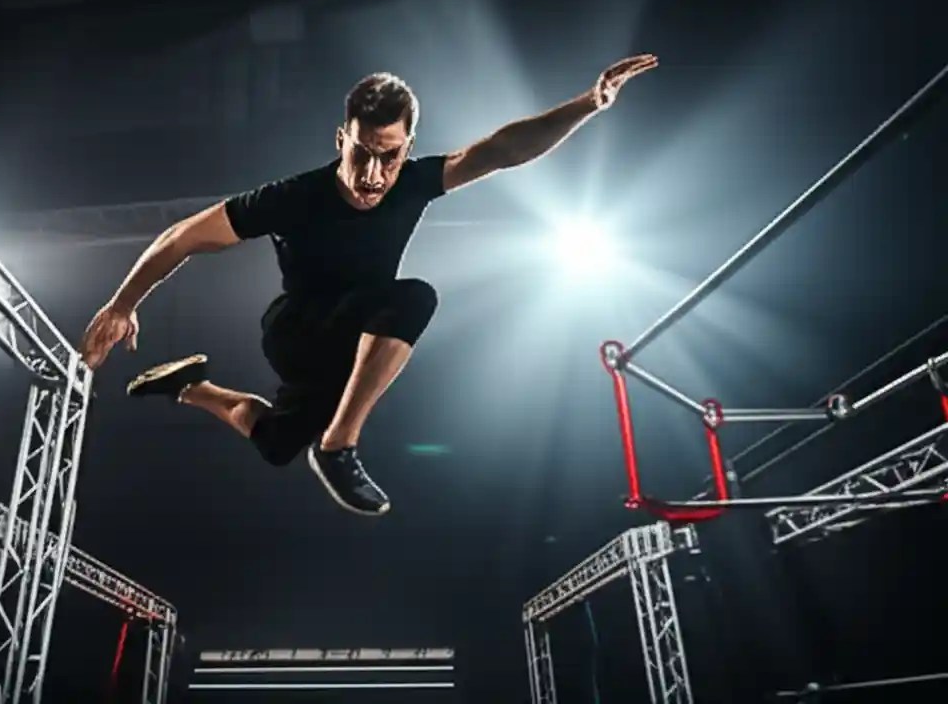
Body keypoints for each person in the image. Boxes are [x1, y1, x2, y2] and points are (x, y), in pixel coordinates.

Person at [80, 54, 658, 516]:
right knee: (414, 297)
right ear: (341, 139)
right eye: (361, 153)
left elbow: (503, 150)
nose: (372, 175)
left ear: (407, 147)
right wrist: (121, 304)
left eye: (389, 156)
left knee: (278, 444)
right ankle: (338, 447)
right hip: (298, 331)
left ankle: (191, 386)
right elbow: (182, 237)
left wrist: (588, 104)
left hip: (359, 339)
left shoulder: (413, 182)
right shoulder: (292, 197)